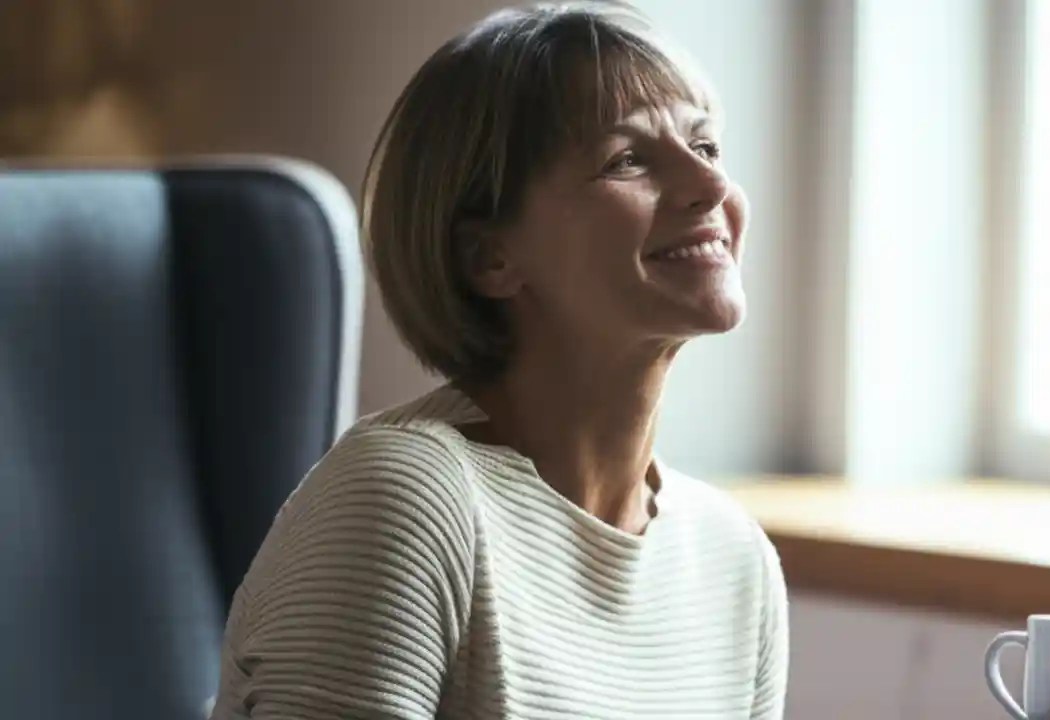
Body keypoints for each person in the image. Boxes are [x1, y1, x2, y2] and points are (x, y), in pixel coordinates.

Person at [210, 2, 789, 717]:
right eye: (627, 159)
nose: (712, 188)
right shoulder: (409, 500)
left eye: (706, 147)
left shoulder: (735, 560)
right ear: (491, 256)